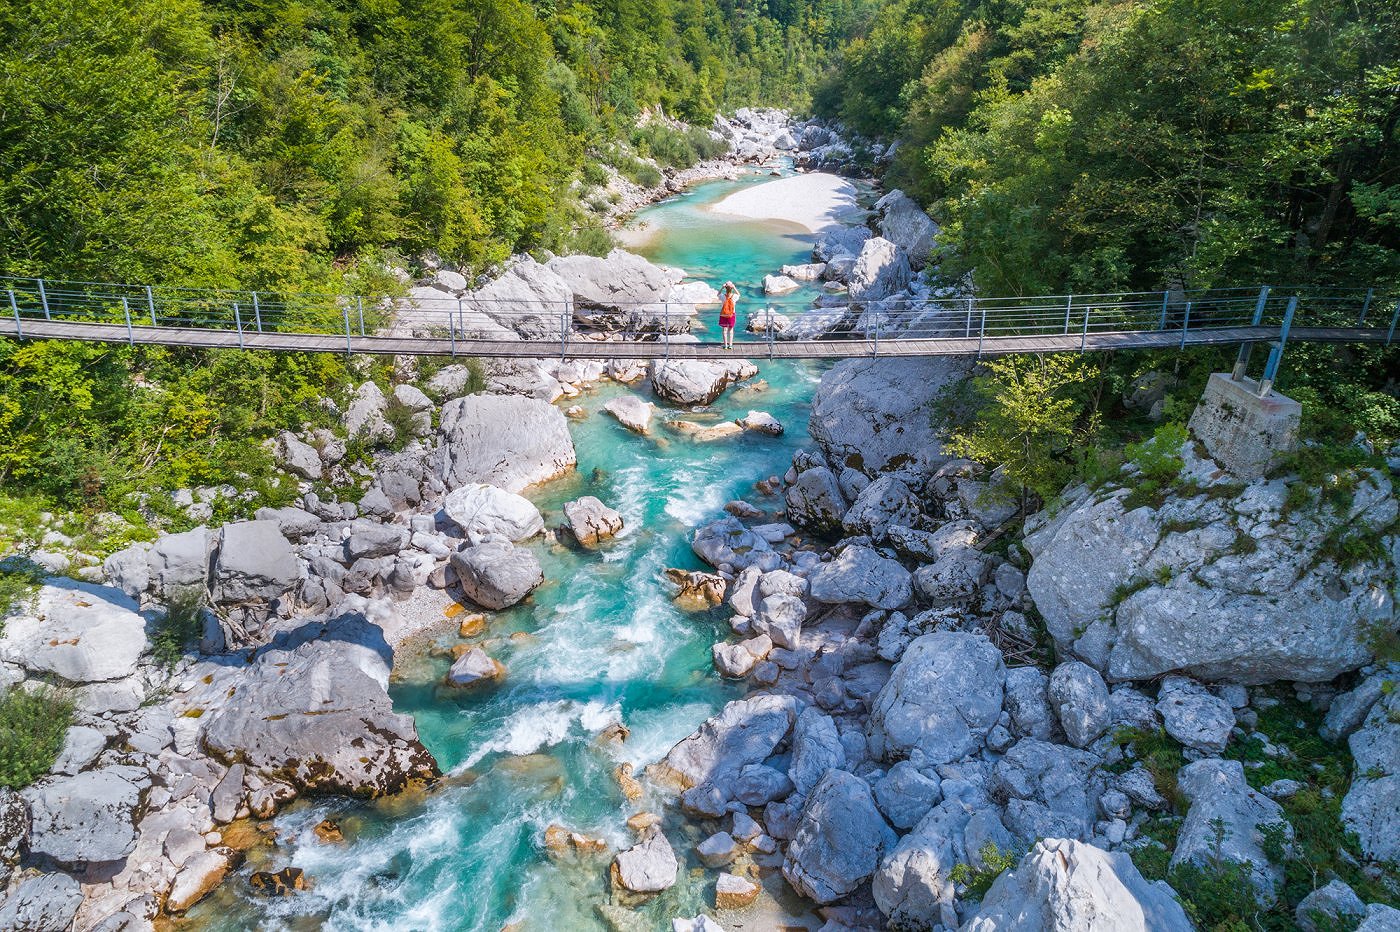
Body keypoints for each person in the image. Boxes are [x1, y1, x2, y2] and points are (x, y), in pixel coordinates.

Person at [718, 281, 738, 349]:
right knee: (731, 330)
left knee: (724, 330)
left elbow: (718, 294)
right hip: (732, 314)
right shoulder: (734, 296)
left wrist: (722, 287)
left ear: (725, 288)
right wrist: (734, 287)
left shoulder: (723, 296)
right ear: (731, 288)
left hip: (724, 314)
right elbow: (739, 294)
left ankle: (725, 345)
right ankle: (730, 345)